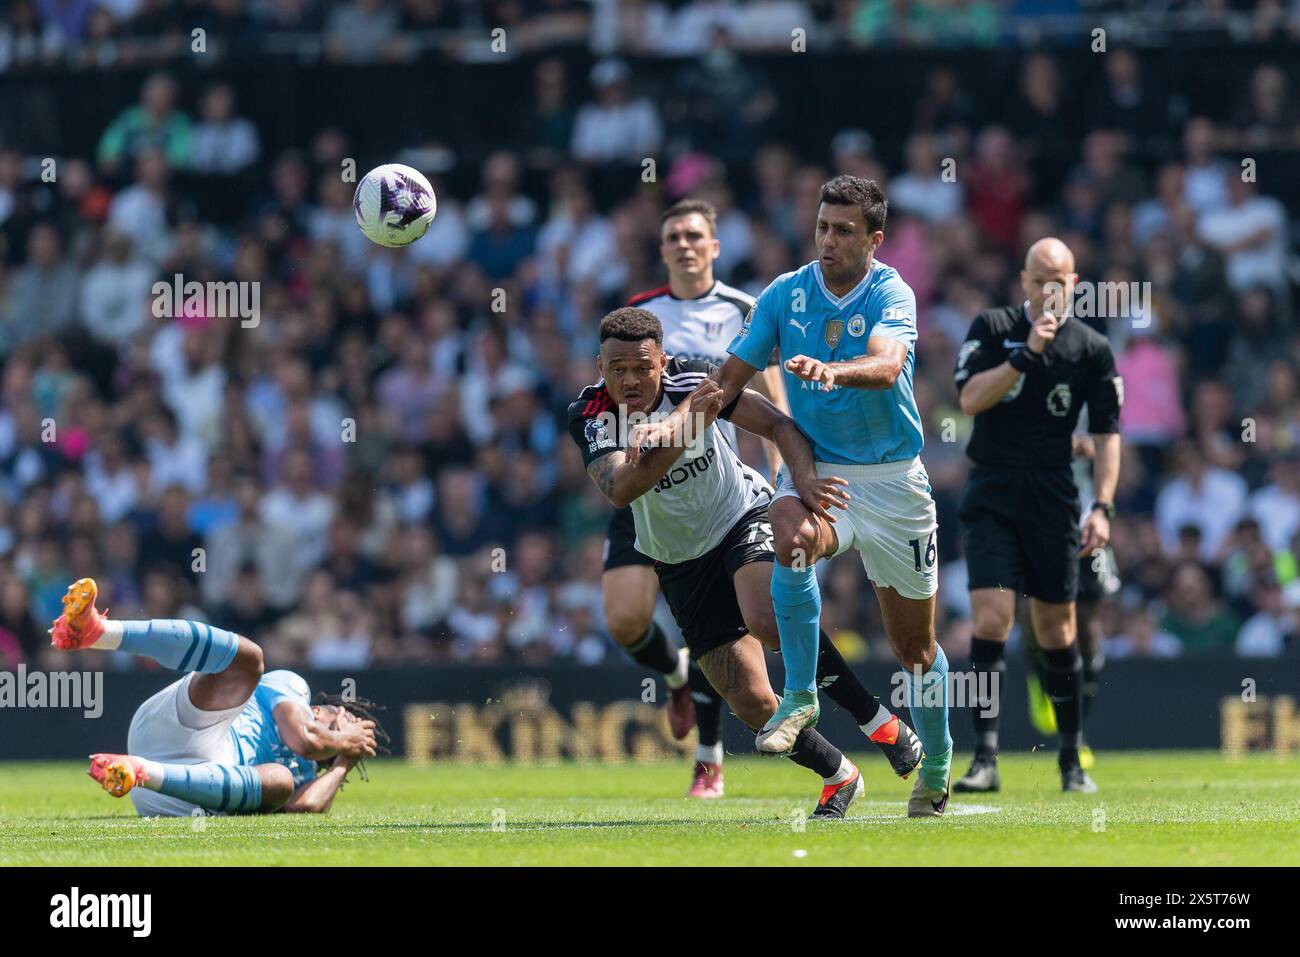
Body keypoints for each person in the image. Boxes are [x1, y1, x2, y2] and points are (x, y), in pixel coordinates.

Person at [651, 175, 952, 817]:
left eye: (844, 231)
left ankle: (941, 760)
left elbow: (889, 363)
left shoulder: (890, 291)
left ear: (874, 239)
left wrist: (830, 371)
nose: (829, 241)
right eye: (822, 227)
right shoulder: (785, 296)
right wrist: (670, 427)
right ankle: (800, 695)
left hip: (895, 482)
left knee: (914, 649)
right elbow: (726, 383)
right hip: (818, 474)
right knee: (787, 534)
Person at [572, 308, 923, 816]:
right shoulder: (589, 413)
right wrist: (684, 427)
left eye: (642, 367)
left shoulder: (696, 384)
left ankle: (881, 724)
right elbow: (621, 489)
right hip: (677, 560)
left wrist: (800, 478)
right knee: (752, 700)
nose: (630, 380)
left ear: (662, 362)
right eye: (616, 368)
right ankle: (839, 775)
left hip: (741, 516)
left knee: (767, 621)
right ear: (598, 366)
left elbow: (780, 423)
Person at [603, 198, 787, 799]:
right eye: (673, 236)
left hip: (714, 490)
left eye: (694, 235)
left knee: (724, 627)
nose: (683, 244)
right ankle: (676, 676)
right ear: (662, 250)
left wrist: (783, 482)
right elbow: (604, 397)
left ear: (713, 245)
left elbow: (770, 397)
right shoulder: (638, 313)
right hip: (642, 484)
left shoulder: (744, 309)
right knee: (626, 619)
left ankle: (709, 757)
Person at [951, 237, 1122, 793]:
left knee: (1058, 628)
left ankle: (1071, 761)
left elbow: (1106, 435)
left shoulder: (1091, 349)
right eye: (1038, 280)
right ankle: (985, 759)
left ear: (1074, 284)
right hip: (993, 494)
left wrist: (1103, 506)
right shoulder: (992, 327)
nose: (1048, 291)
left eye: (1059, 281)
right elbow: (970, 400)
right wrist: (1023, 354)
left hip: (1053, 499)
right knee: (992, 619)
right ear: (1022, 281)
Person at [49, 578, 383, 816]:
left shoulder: (306, 778)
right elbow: (304, 738)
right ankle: (99, 632)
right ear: (317, 708)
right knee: (250, 659)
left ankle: (135, 770)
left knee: (280, 782)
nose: (344, 733)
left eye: (345, 733)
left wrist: (343, 764)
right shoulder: (290, 685)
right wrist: (343, 741)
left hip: (174, 795)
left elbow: (305, 807)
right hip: (181, 729)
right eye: (340, 721)